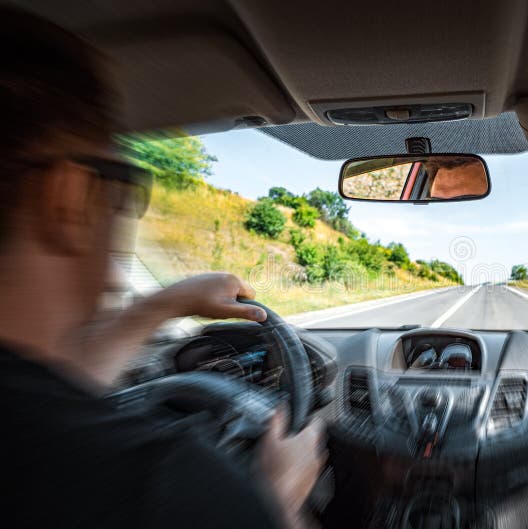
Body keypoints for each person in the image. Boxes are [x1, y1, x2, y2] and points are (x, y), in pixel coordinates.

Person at [0, 7, 323, 529]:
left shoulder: (33, 425)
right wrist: (276, 499)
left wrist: (167, 303)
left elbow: (54, 391)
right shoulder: (158, 482)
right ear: (72, 198)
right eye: (125, 186)